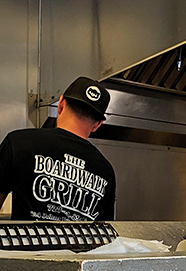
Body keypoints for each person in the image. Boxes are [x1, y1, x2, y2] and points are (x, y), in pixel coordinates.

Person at [0, 77, 116, 221]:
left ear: (60, 104)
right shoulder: (106, 172)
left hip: (25, 243)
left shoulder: (18, 143)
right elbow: (105, 236)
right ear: (97, 124)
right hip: (79, 245)